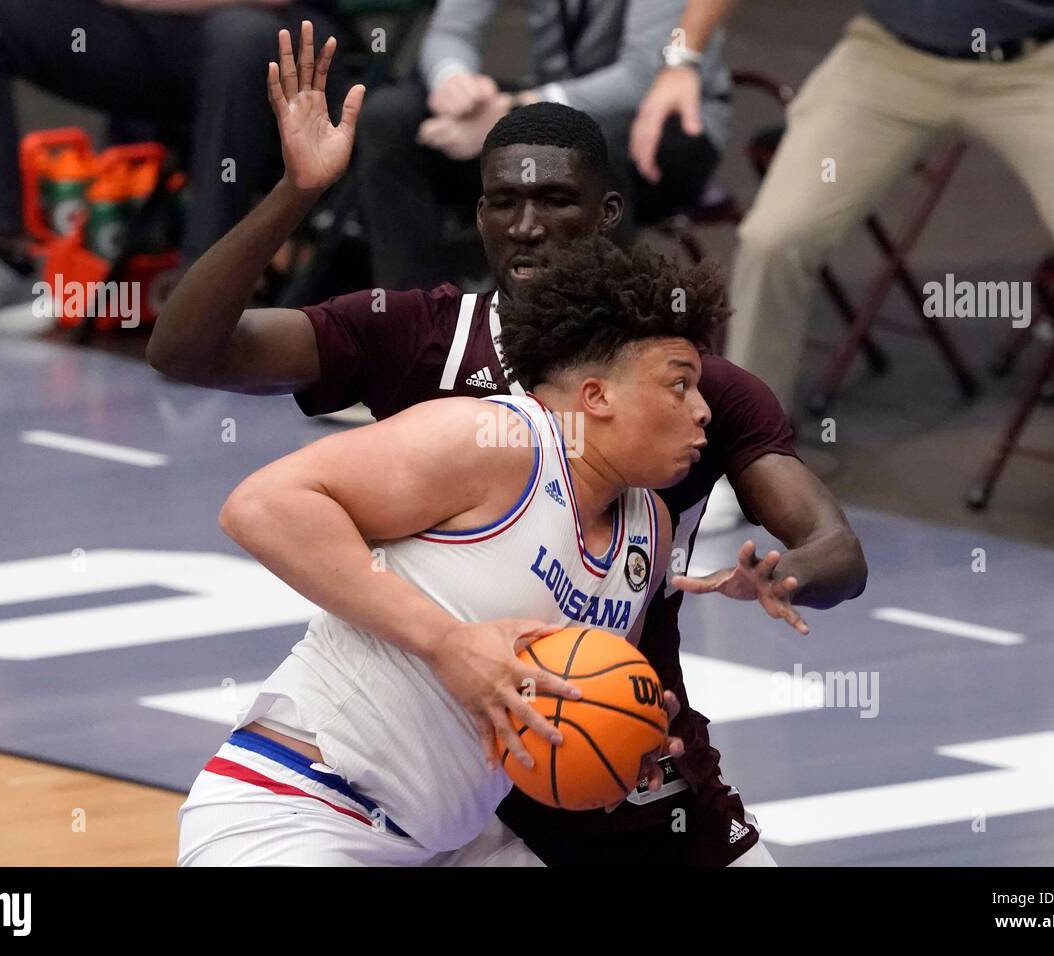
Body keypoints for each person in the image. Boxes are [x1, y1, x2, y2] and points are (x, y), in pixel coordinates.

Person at [151, 23, 867, 866]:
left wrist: (783, 574)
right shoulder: (440, 366)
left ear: (606, 213)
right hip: (364, 777)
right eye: (503, 203)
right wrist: (295, 193)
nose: (527, 227)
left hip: (571, 731)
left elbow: (835, 549)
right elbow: (193, 363)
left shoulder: (666, 462)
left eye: (555, 202)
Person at [178, 233, 712, 865]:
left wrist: (619, 738)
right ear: (597, 396)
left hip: (450, 845)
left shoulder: (650, 529)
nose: (703, 410)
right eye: (680, 386)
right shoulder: (497, 440)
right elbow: (261, 506)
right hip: (299, 806)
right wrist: (447, 642)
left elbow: (560, 705)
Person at [631, 0, 1054, 480]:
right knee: (774, 240)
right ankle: (744, 462)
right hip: (891, 59)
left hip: (1044, 69)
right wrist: (683, 59)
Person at [0, 0, 344, 341]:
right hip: (152, 31)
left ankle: (202, 301)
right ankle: (2, 263)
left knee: (240, 37)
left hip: (276, 34)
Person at [352, 0, 733, 288]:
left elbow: (643, 75)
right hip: (547, 106)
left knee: (583, 151)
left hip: (667, 123)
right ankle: (417, 330)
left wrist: (513, 114)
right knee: (390, 118)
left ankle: (582, 349)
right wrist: (455, 84)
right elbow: (450, 31)